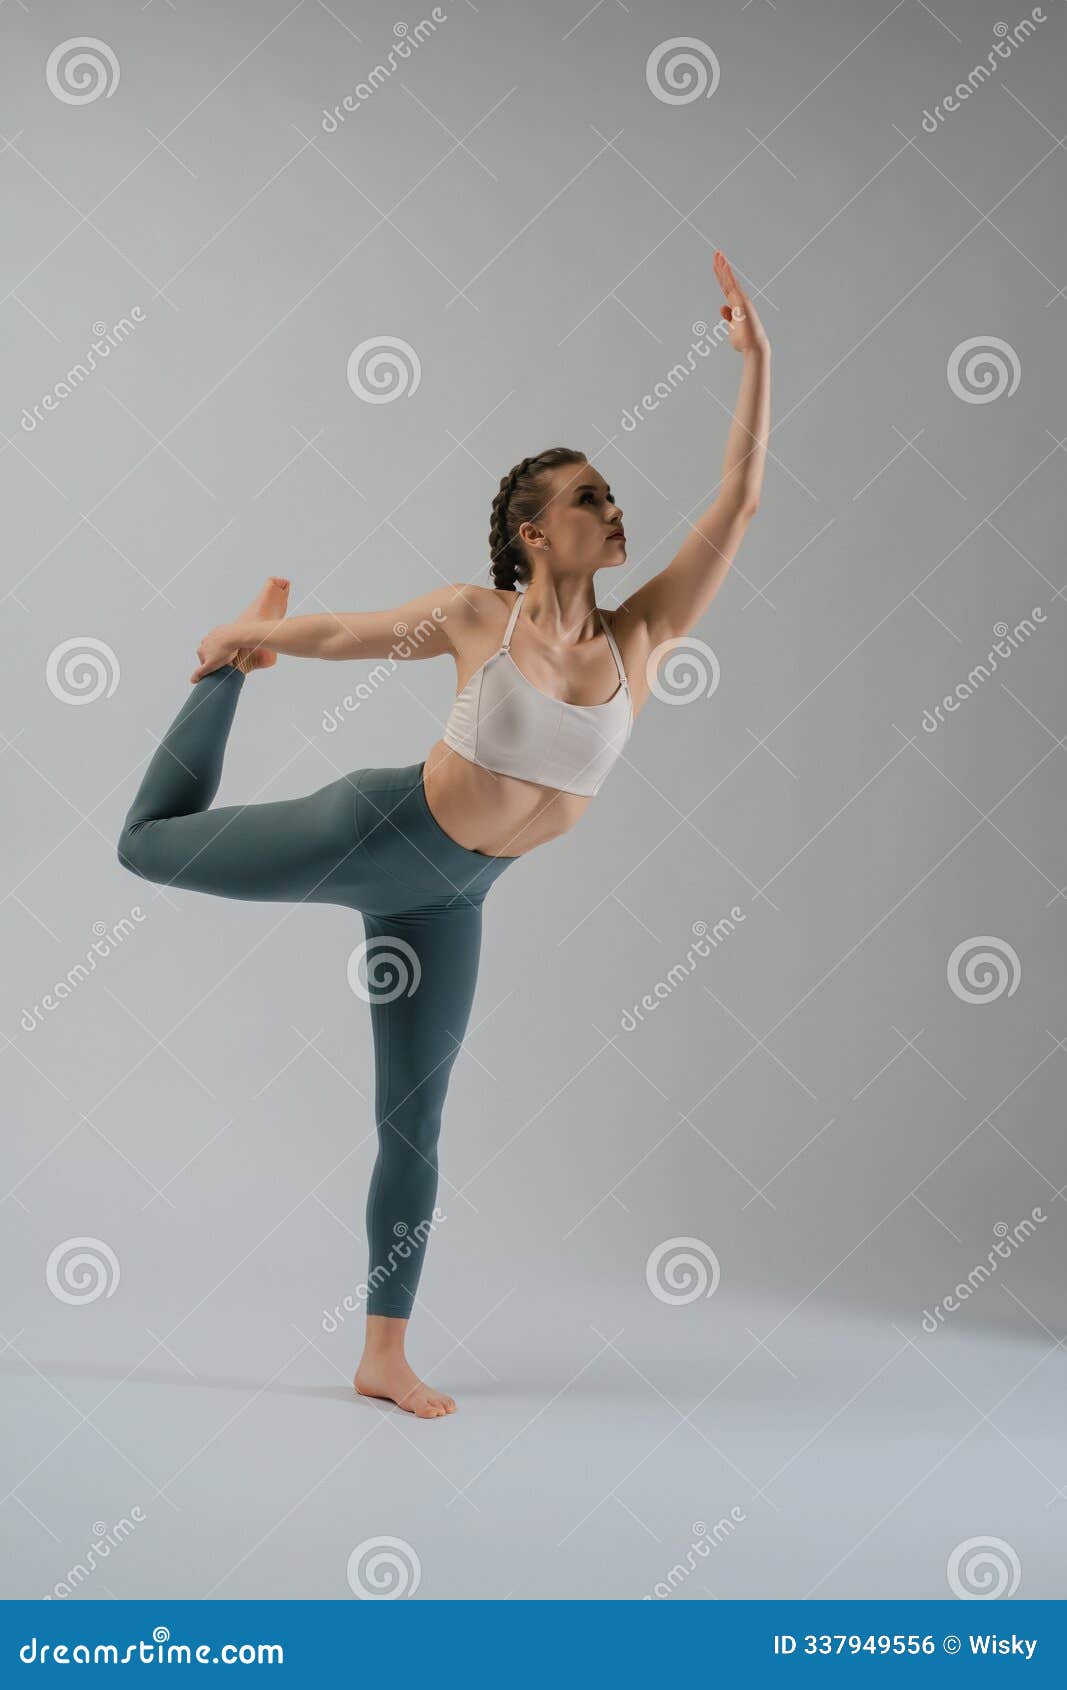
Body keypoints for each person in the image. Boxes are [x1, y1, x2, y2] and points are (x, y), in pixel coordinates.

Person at [116, 251, 769, 1418]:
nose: (613, 507)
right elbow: (352, 631)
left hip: (451, 901)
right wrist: (243, 637)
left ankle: (381, 1354)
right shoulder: (479, 617)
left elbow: (740, 503)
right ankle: (227, 675)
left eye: (610, 493)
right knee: (148, 845)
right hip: (370, 829)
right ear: (530, 533)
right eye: (586, 496)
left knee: (412, 1125)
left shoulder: (645, 635)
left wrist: (753, 365)